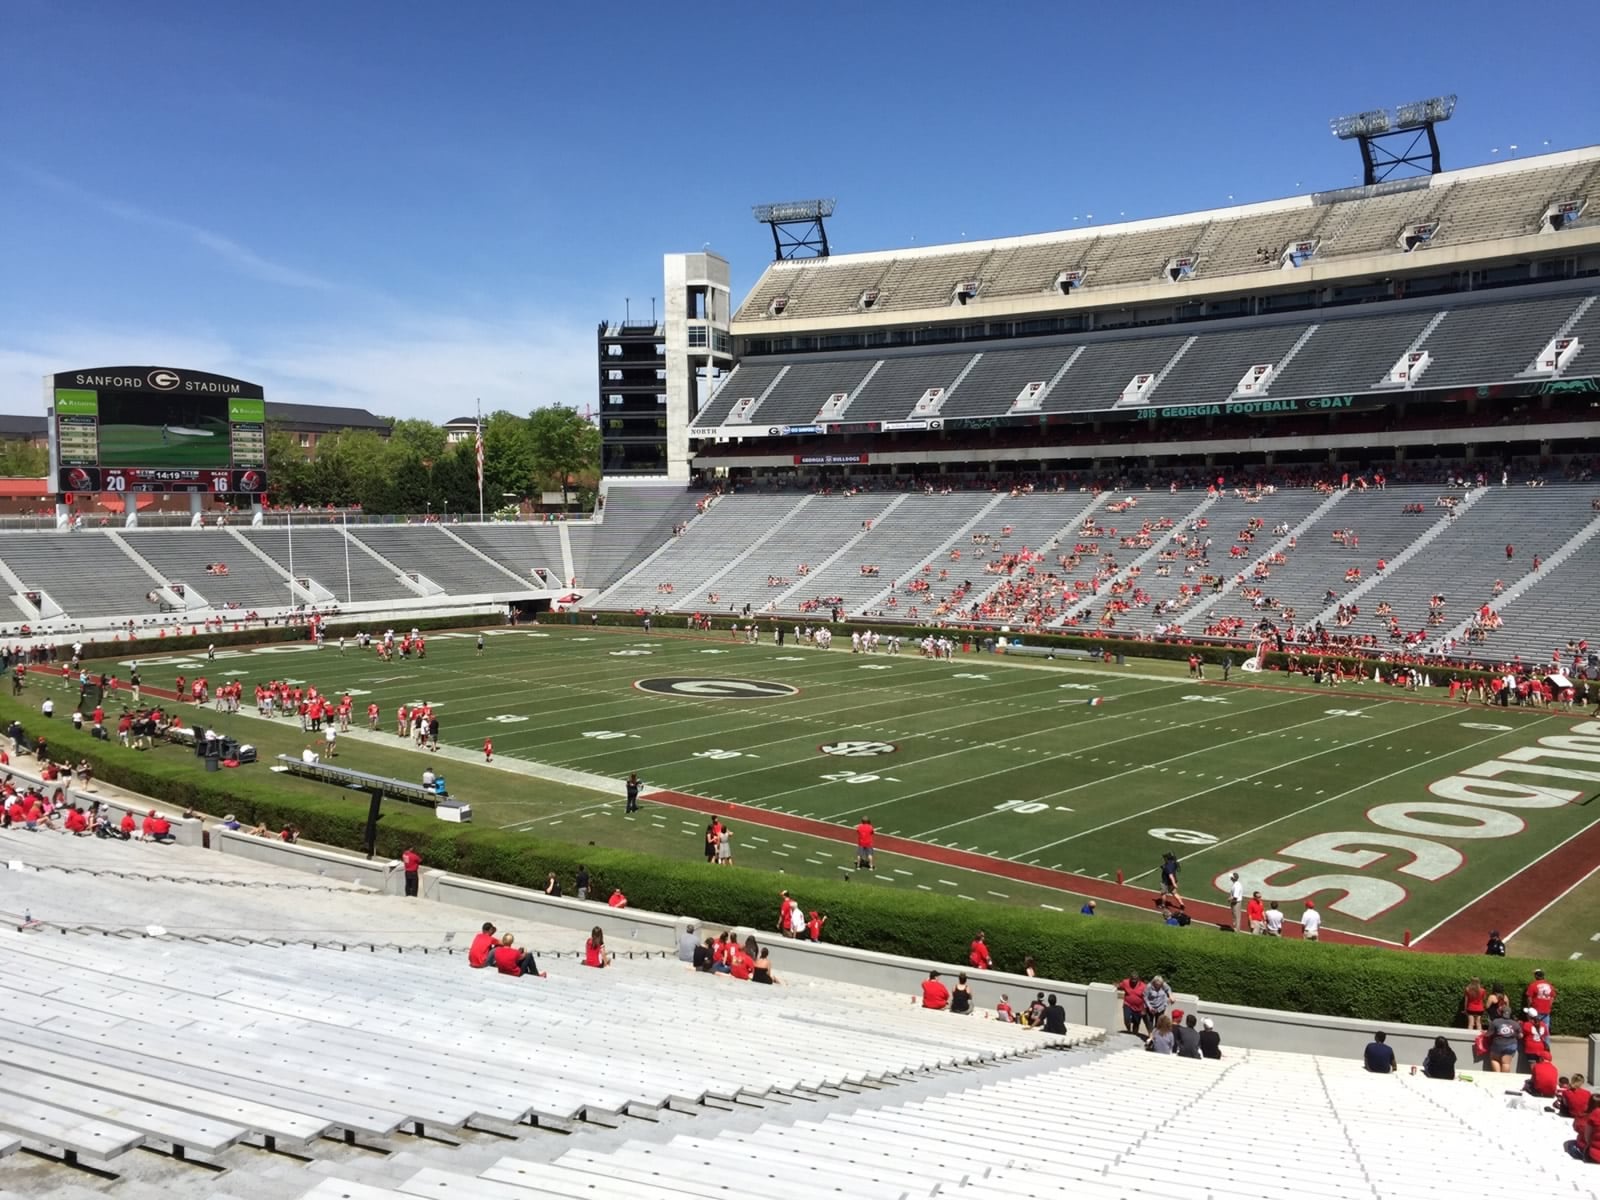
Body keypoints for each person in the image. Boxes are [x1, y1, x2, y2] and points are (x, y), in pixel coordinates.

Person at [1486, 1007, 1520, 1072]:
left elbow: (1489, 1034)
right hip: (1511, 1045)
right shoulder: (1515, 1023)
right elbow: (1520, 1035)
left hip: (1498, 1044)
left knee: (1494, 1059)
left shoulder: (1495, 1021)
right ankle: (1505, 1079)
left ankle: (1498, 1077)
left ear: (1501, 1013)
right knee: (1506, 1063)